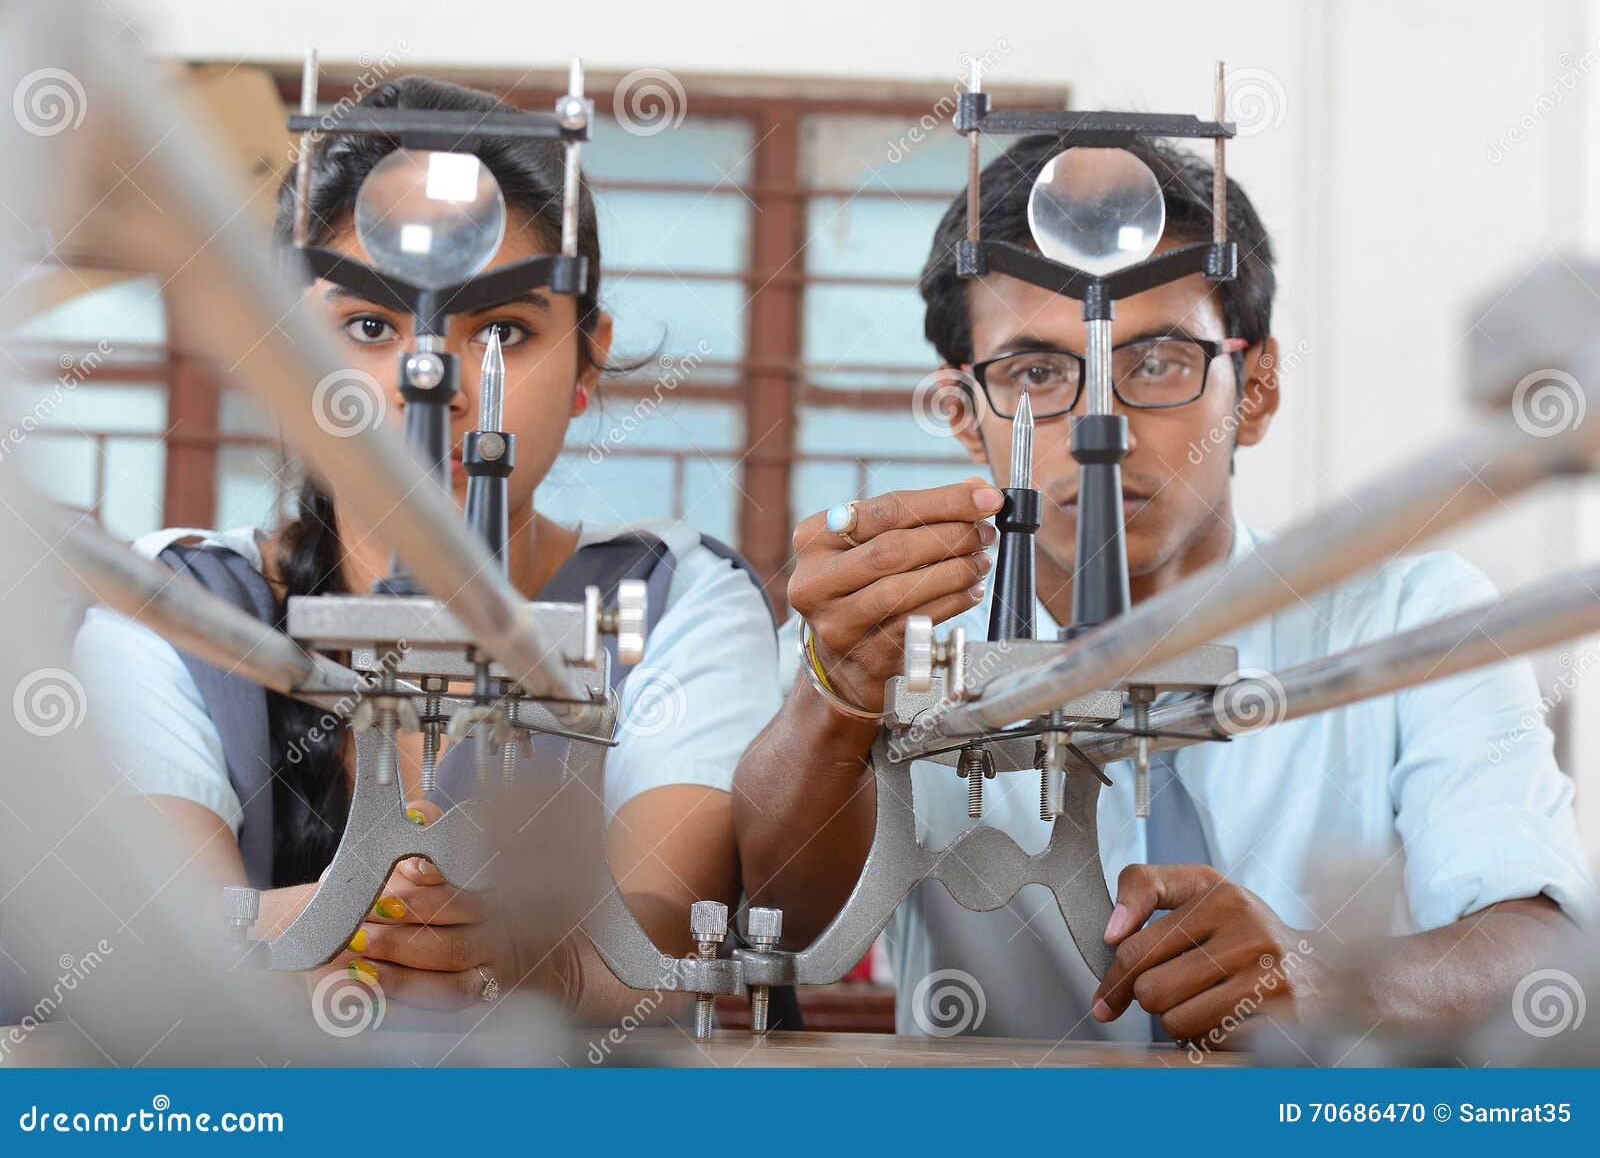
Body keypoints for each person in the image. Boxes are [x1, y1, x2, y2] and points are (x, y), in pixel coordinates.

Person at [731, 133, 1594, 1045]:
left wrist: (1324, 975)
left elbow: (1537, 952)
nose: (1102, 425)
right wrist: (832, 700)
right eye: (1035, 373)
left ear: (1254, 389)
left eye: (1157, 362)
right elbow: (781, 919)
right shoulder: (885, 639)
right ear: (959, 409)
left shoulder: (1417, 617)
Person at [71, 76, 780, 1023]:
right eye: (369, 325)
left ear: (587, 362)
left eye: (502, 330)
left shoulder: (681, 598)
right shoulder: (173, 602)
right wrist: (420, 937)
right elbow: (149, 934)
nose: (433, 380)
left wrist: (550, 966)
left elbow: (662, 936)